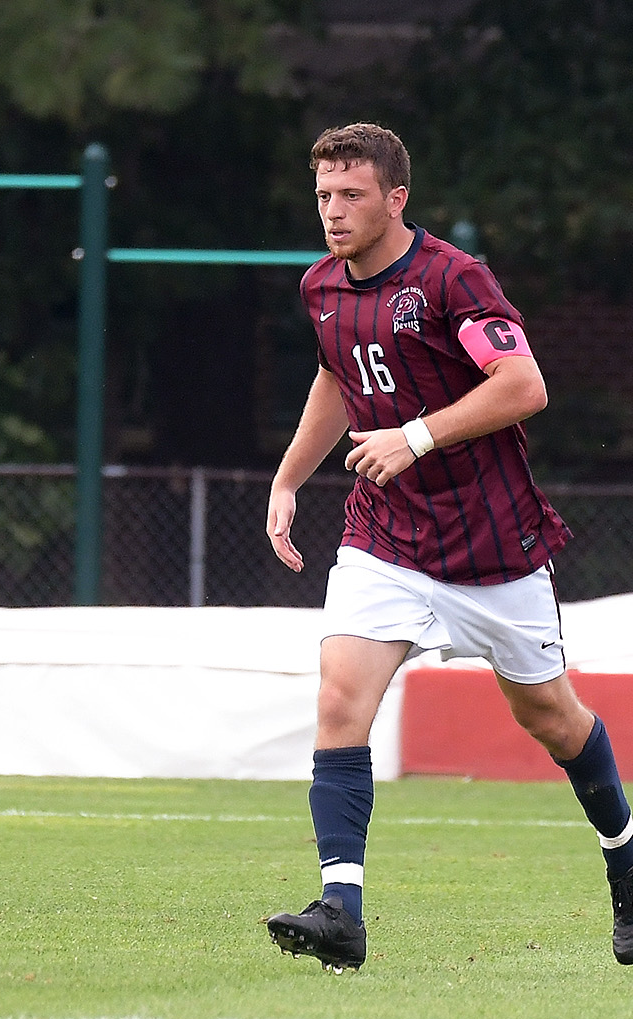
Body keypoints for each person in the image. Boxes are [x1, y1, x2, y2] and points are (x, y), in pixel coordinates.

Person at [264, 122, 632, 973]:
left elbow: (524, 384)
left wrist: (416, 437)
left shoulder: (450, 280)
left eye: (352, 195)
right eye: (324, 194)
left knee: (552, 719)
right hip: (385, 539)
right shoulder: (321, 288)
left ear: (396, 200)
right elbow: (336, 375)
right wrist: (288, 479)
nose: (334, 211)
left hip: (493, 548)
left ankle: (623, 850)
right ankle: (341, 910)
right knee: (338, 700)